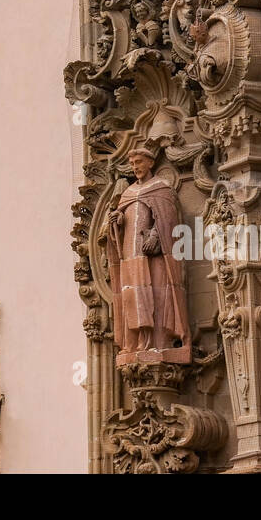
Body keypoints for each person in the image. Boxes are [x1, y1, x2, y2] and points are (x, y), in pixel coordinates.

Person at [106, 146, 189, 363]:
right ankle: (135, 343)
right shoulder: (128, 193)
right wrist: (118, 222)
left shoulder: (161, 189)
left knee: (158, 297)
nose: (136, 168)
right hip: (130, 255)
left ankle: (158, 343)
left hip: (154, 256)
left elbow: (168, 220)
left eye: (139, 163)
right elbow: (123, 224)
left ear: (150, 163)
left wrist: (155, 236)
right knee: (132, 297)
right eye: (133, 165)